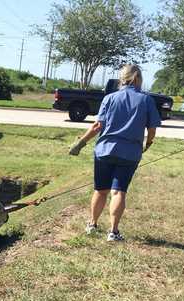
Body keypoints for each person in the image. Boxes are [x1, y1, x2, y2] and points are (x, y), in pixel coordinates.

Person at [68, 64, 160, 242]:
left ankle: (92, 225)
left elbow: (97, 126)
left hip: (104, 150)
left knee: (100, 190)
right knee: (118, 192)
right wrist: (147, 143)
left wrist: (80, 143)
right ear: (138, 79)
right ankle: (113, 232)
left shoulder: (109, 98)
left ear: (122, 79)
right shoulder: (146, 100)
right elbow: (152, 128)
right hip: (130, 153)